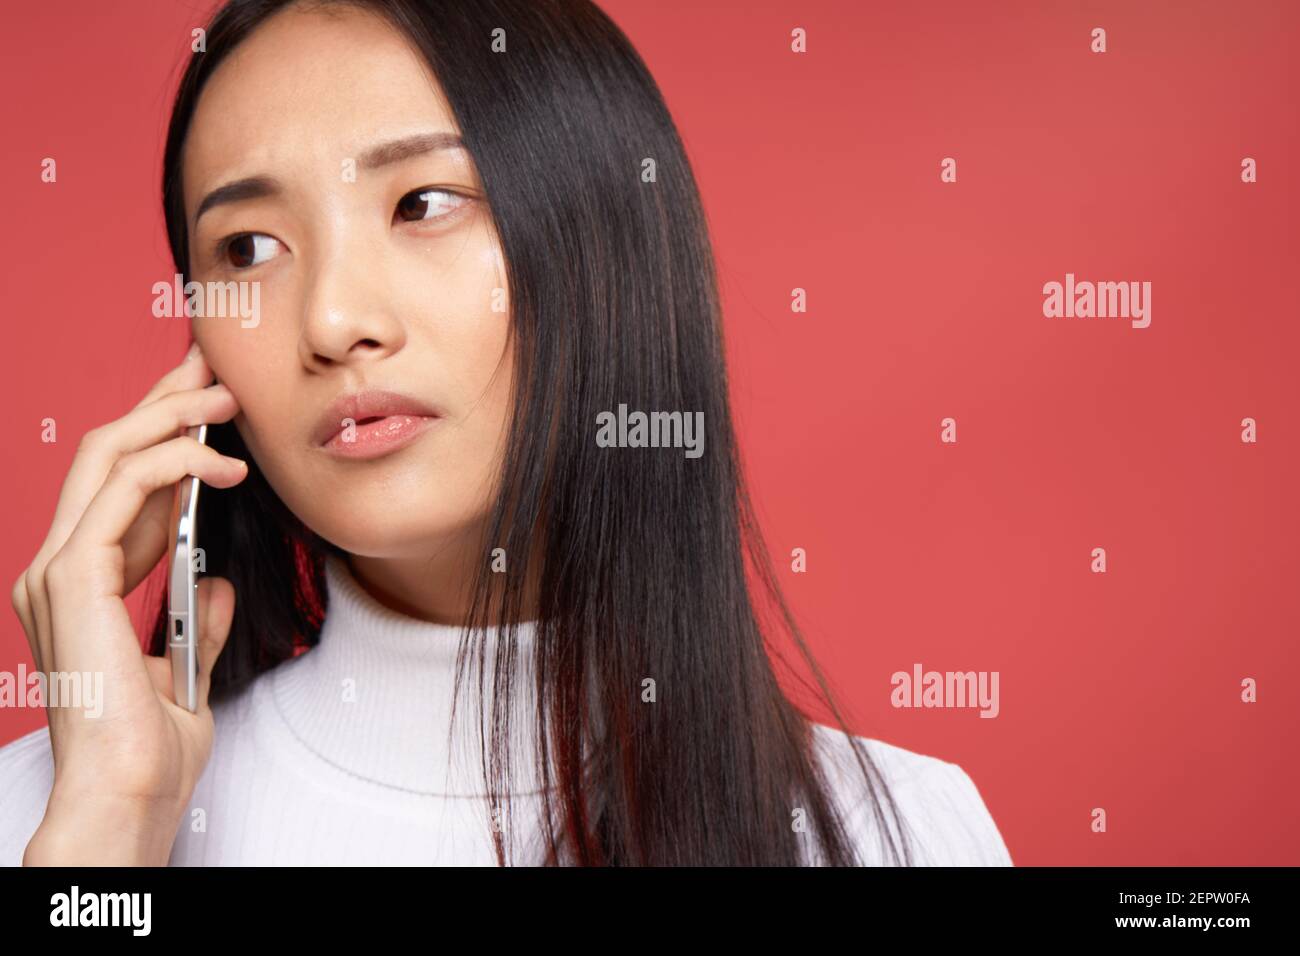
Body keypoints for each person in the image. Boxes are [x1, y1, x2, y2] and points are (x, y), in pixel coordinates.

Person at [1, 0, 1012, 866]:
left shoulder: (894, 830)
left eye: (423, 201)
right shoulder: (53, 815)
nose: (329, 319)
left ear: (603, 252)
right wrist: (104, 834)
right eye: (249, 247)